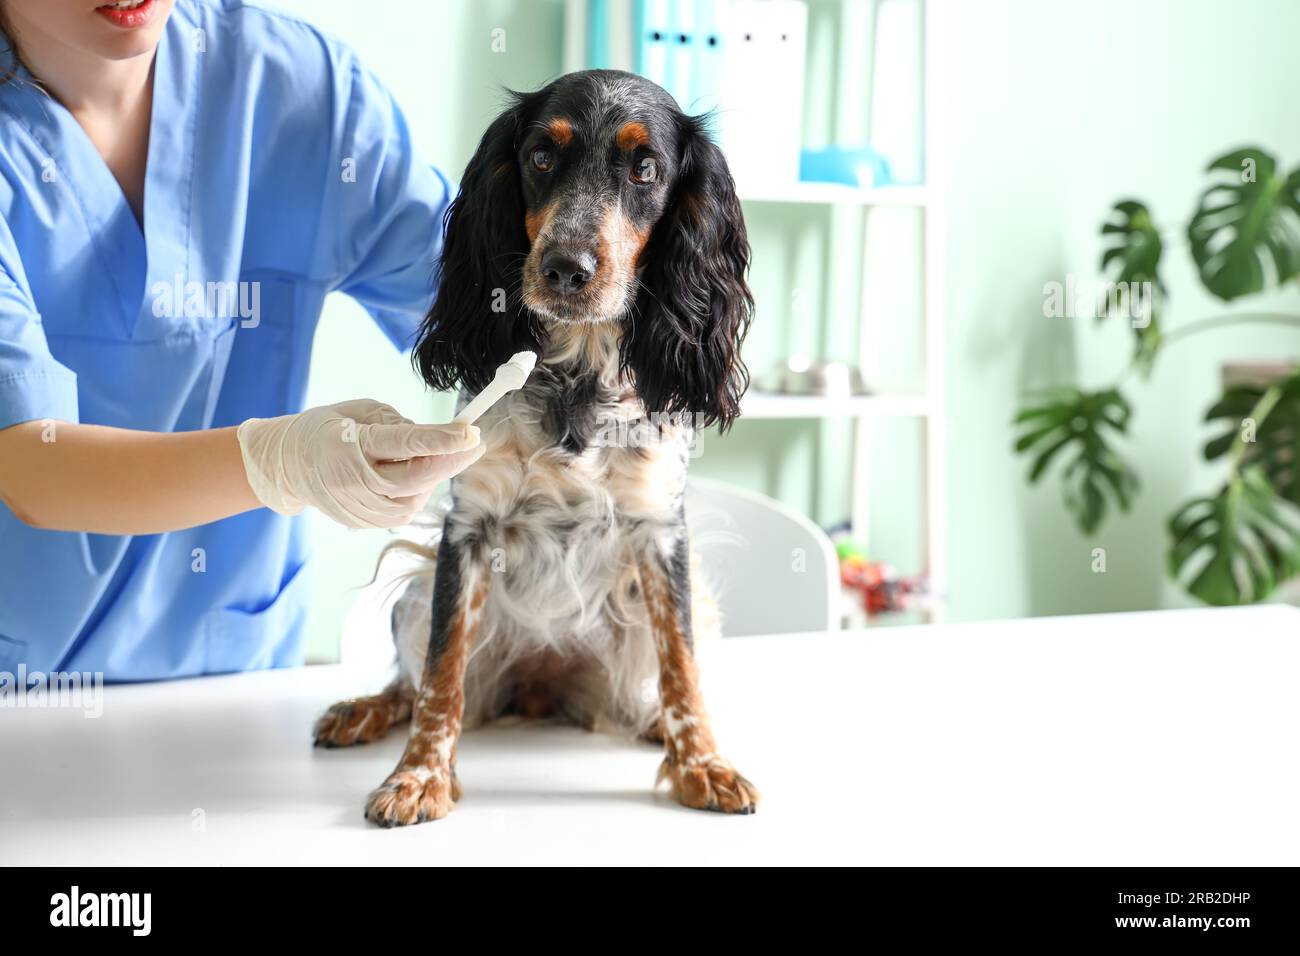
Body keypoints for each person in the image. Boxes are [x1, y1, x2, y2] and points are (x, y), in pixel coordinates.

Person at [0, 0, 482, 680]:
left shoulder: (293, 88)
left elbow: (485, 312)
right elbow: (29, 465)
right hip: (19, 703)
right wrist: (279, 461)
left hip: (239, 686)